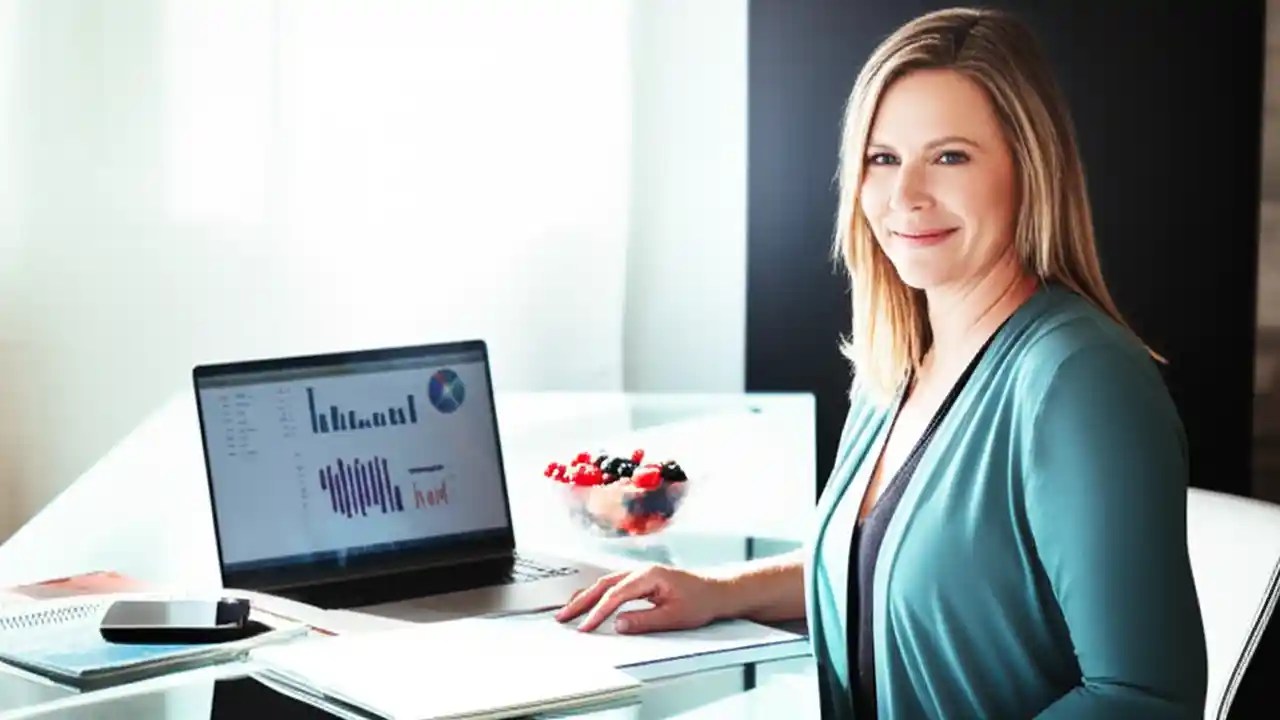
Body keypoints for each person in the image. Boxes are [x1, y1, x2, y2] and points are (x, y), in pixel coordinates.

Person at [556, 6, 1208, 719]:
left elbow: (1144, 697)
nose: (907, 196)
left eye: (950, 156)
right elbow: (884, 565)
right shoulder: (895, 368)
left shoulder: (1079, 380)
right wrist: (718, 592)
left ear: (1030, 168)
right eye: (883, 158)